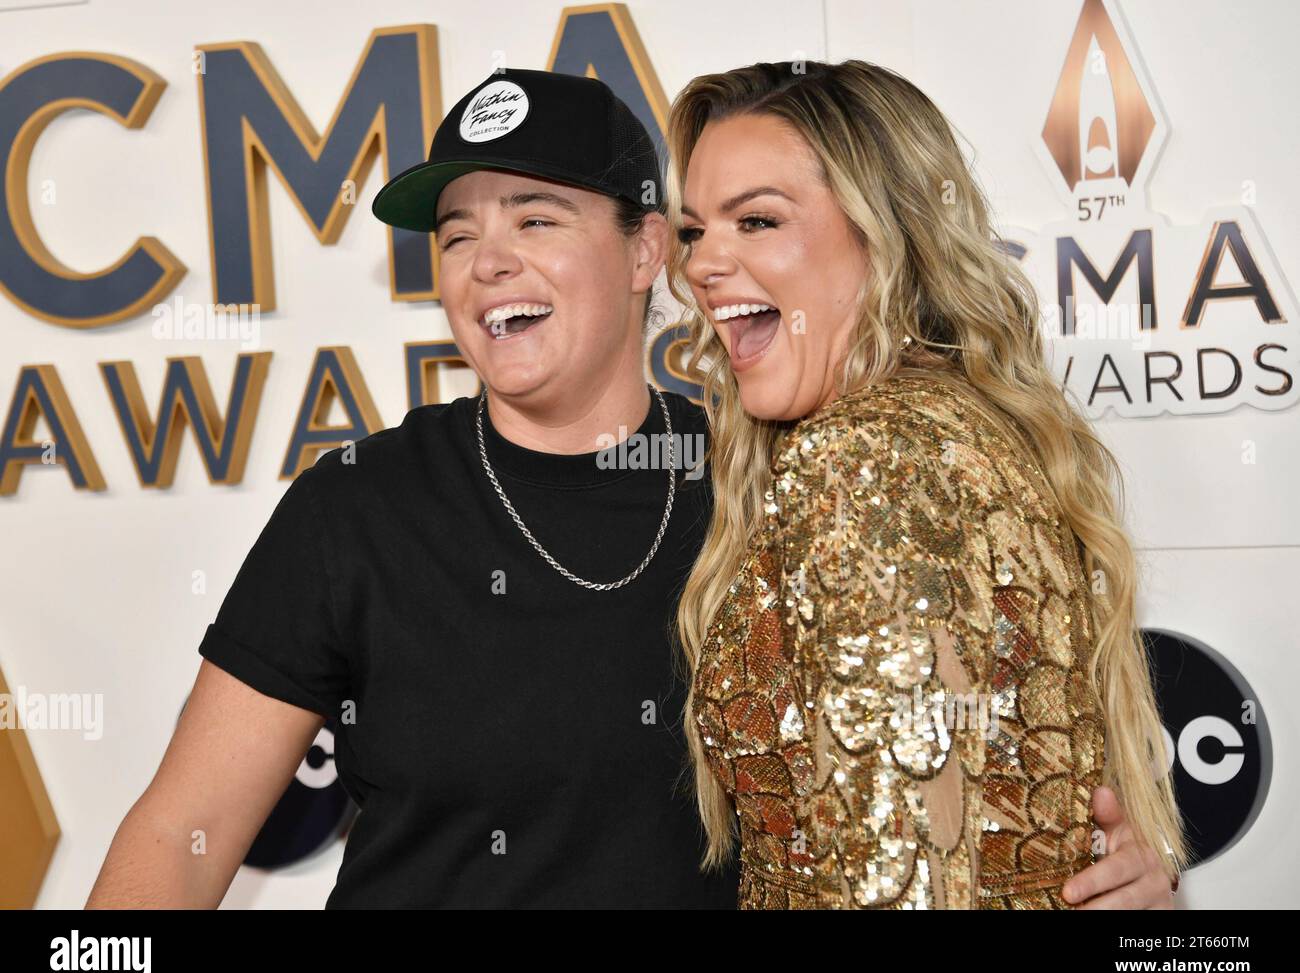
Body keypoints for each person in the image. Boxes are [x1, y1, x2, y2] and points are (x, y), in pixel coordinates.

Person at [86, 67, 1175, 909]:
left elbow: (932, 794)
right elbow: (177, 838)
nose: (487, 261)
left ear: (649, 248)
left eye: (535, 219)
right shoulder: (354, 508)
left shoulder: (779, 481)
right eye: (456, 235)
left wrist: (1106, 875)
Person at [667, 59, 1188, 908]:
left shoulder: (863, 458)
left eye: (756, 220)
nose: (703, 265)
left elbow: (897, 878)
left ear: (889, 232)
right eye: (695, 232)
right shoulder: (966, 429)